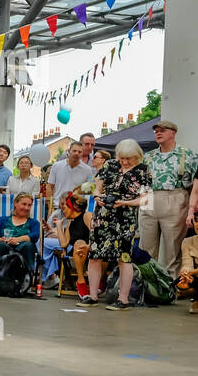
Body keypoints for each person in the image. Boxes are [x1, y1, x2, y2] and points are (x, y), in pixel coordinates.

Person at [81, 139, 152, 311]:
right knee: (94, 255)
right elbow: (97, 187)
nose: (125, 162)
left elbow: (147, 199)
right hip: (102, 215)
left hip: (125, 218)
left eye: (129, 159)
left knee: (124, 257)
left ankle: (123, 299)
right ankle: (93, 295)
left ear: (138, 156)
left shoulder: (143, 170)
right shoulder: (110, 165)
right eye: (122, 158)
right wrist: (98, 197)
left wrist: (126, 202)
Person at [139, 119, 196, 279]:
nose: (158, 133)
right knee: (146, 247)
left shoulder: (188, 155)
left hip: (175, 198)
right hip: (149, 200)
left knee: (173, 248)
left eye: (162, 130)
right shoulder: (148, 156)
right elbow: (142, 182)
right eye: (156, 130)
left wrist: (191, 207)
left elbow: (194, 186)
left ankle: (172, 285)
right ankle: (148, 285)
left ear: (173, 132)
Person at [0, 192, 41, 293]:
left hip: (23, 250)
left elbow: (34, 236)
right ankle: (0, 279)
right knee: (0, 245)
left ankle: (26, 279)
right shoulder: (2, 220)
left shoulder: (34, 223)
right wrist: (4, 240)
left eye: (29, 205)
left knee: (28, 245)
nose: (26, 207)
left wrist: (17, 239)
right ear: (15, 204)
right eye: (23, 204)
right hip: (5, 248)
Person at [51, 191, 94, 298]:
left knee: (81, 244)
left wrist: (89, 246)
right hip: (77, 252)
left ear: (73, 207)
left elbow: (96, 233)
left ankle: (99, 280)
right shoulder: (70, 222)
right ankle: (81, 281)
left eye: (65, 208)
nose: (63, 211)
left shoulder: (87, 216)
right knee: (78, 244)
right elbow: (64, 244)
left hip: (93, 249)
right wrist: (59, 226)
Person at [47, 141, 93, 213]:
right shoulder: (56, 166)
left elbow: (89, 191)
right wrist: (50, 205)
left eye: (79, 152)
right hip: (57, 207)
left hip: (76, 210)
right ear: (68, 151)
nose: (76, 153)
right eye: (74, 151)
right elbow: (50, 186)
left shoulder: (87, 170)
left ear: (82, 154)